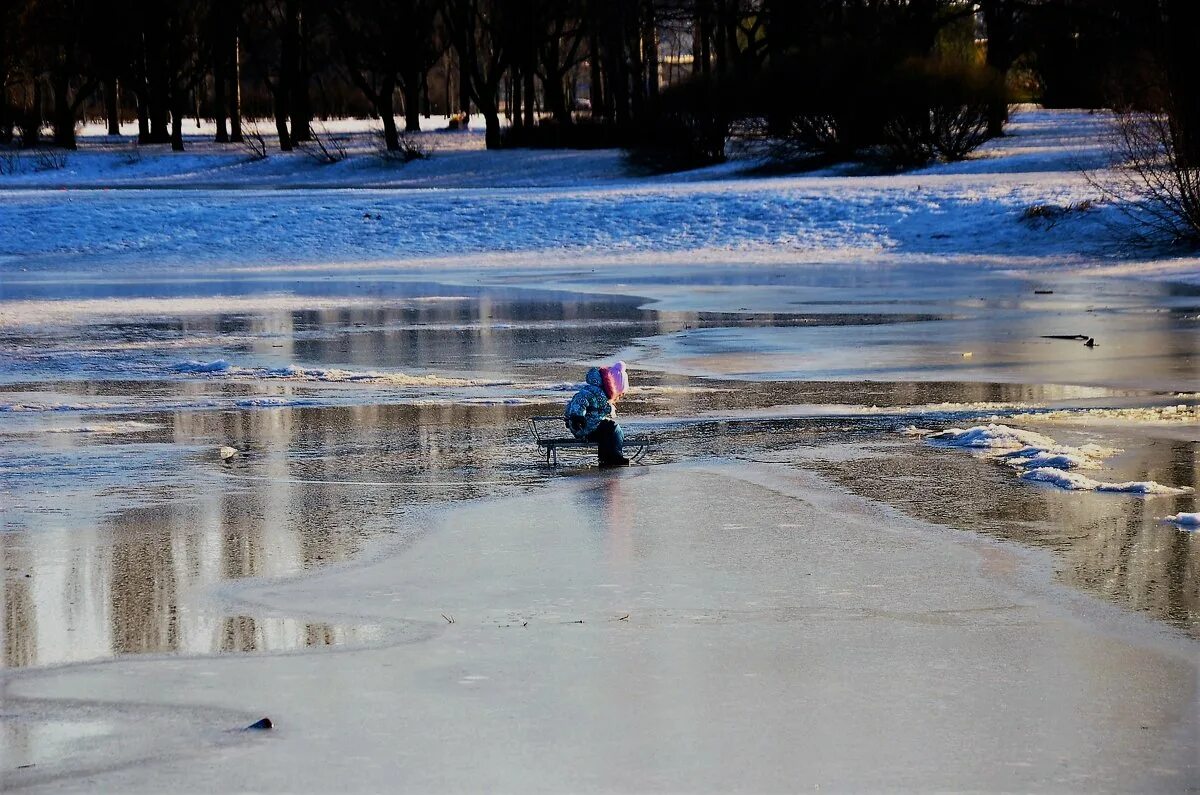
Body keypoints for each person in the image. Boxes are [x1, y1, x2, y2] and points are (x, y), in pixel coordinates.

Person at [565, 366, 628, 466]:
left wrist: (573, 419)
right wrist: (577, 417)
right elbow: (579, 404)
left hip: (585, 427)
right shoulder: (595, 392)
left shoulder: (590, 390)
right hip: (586, 427)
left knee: (606, 433)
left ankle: (604, 458)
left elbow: (576, 405)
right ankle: (616, 456)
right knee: (615, 429)